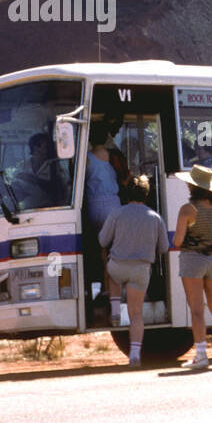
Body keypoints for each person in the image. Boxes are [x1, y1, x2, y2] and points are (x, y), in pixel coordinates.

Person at [98, 175, 168, 368]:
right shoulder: (155, 217)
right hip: (141, 270)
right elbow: (163, 248)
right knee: (136, 314)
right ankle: (135, 355)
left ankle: (114, 310)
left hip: (118, 266)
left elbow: (103, 240)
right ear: (147, 194)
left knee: (111, 272)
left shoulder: (117, 213)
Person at [173, 164, 212, 368]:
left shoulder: (187, 210)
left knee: (197, 310)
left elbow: (178, 241)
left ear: (193, 187)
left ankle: (201, 354)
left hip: (192, 261)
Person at [85, 123, 122, 300]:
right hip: (113, 202)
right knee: (115, 247)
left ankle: (106, 286)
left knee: (100, 247)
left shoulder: (86, 158)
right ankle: (116, 288)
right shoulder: (114, 156)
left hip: (94, 203)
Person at [12, 132, 67, 208]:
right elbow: (15, 191)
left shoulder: (54, 167)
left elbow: (61, 190)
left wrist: (35, 180)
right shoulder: (23, 167)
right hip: (26, 210)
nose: (47, 150)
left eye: (48, 147)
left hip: (50, 209)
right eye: (45, 147)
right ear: (35, 148)